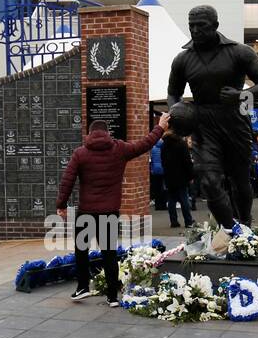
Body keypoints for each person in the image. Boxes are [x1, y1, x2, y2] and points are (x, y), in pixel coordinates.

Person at [166, 4, 258, 228]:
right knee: (208, 181)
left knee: (240, 180)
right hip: (203, 124)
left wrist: (242, 95)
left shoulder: (239, 51)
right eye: (191, 26)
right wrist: (176, 113)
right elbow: (173, 92)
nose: (195, 30)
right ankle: (231, 230)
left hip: (235, 121)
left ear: (215, 26)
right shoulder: (182, 59)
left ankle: (245, 223)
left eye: (201, 25)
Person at [57, 114, 167, 305]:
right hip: (109, 211)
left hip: (86, 212)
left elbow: (68, 180)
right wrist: (160, 127)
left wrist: (61, 205)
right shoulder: (119, 149)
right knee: (109, 253)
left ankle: (83, 287)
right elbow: (145, 144)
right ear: (108, 133)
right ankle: (112, 296)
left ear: (89, 133)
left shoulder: (80, 153)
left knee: (81, 250)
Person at [161, 127, 195, 229]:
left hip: (169, 176)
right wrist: (191, 175)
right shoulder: (181, 144)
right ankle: (188, 221)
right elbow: (187, 162)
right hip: (181, 176)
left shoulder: (164, 144)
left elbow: (163, 160)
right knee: (184, 198)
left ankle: (174, 221)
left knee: (171, 200)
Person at [148, 138, 166, 211]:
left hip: (155, 171)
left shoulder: (152, 149)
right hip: (163, 170)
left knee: (157, 188)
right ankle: (163, 205)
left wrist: (151, 169)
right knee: (163, 188)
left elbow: (150, 160)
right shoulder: (164, 149)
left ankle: (157, 205)